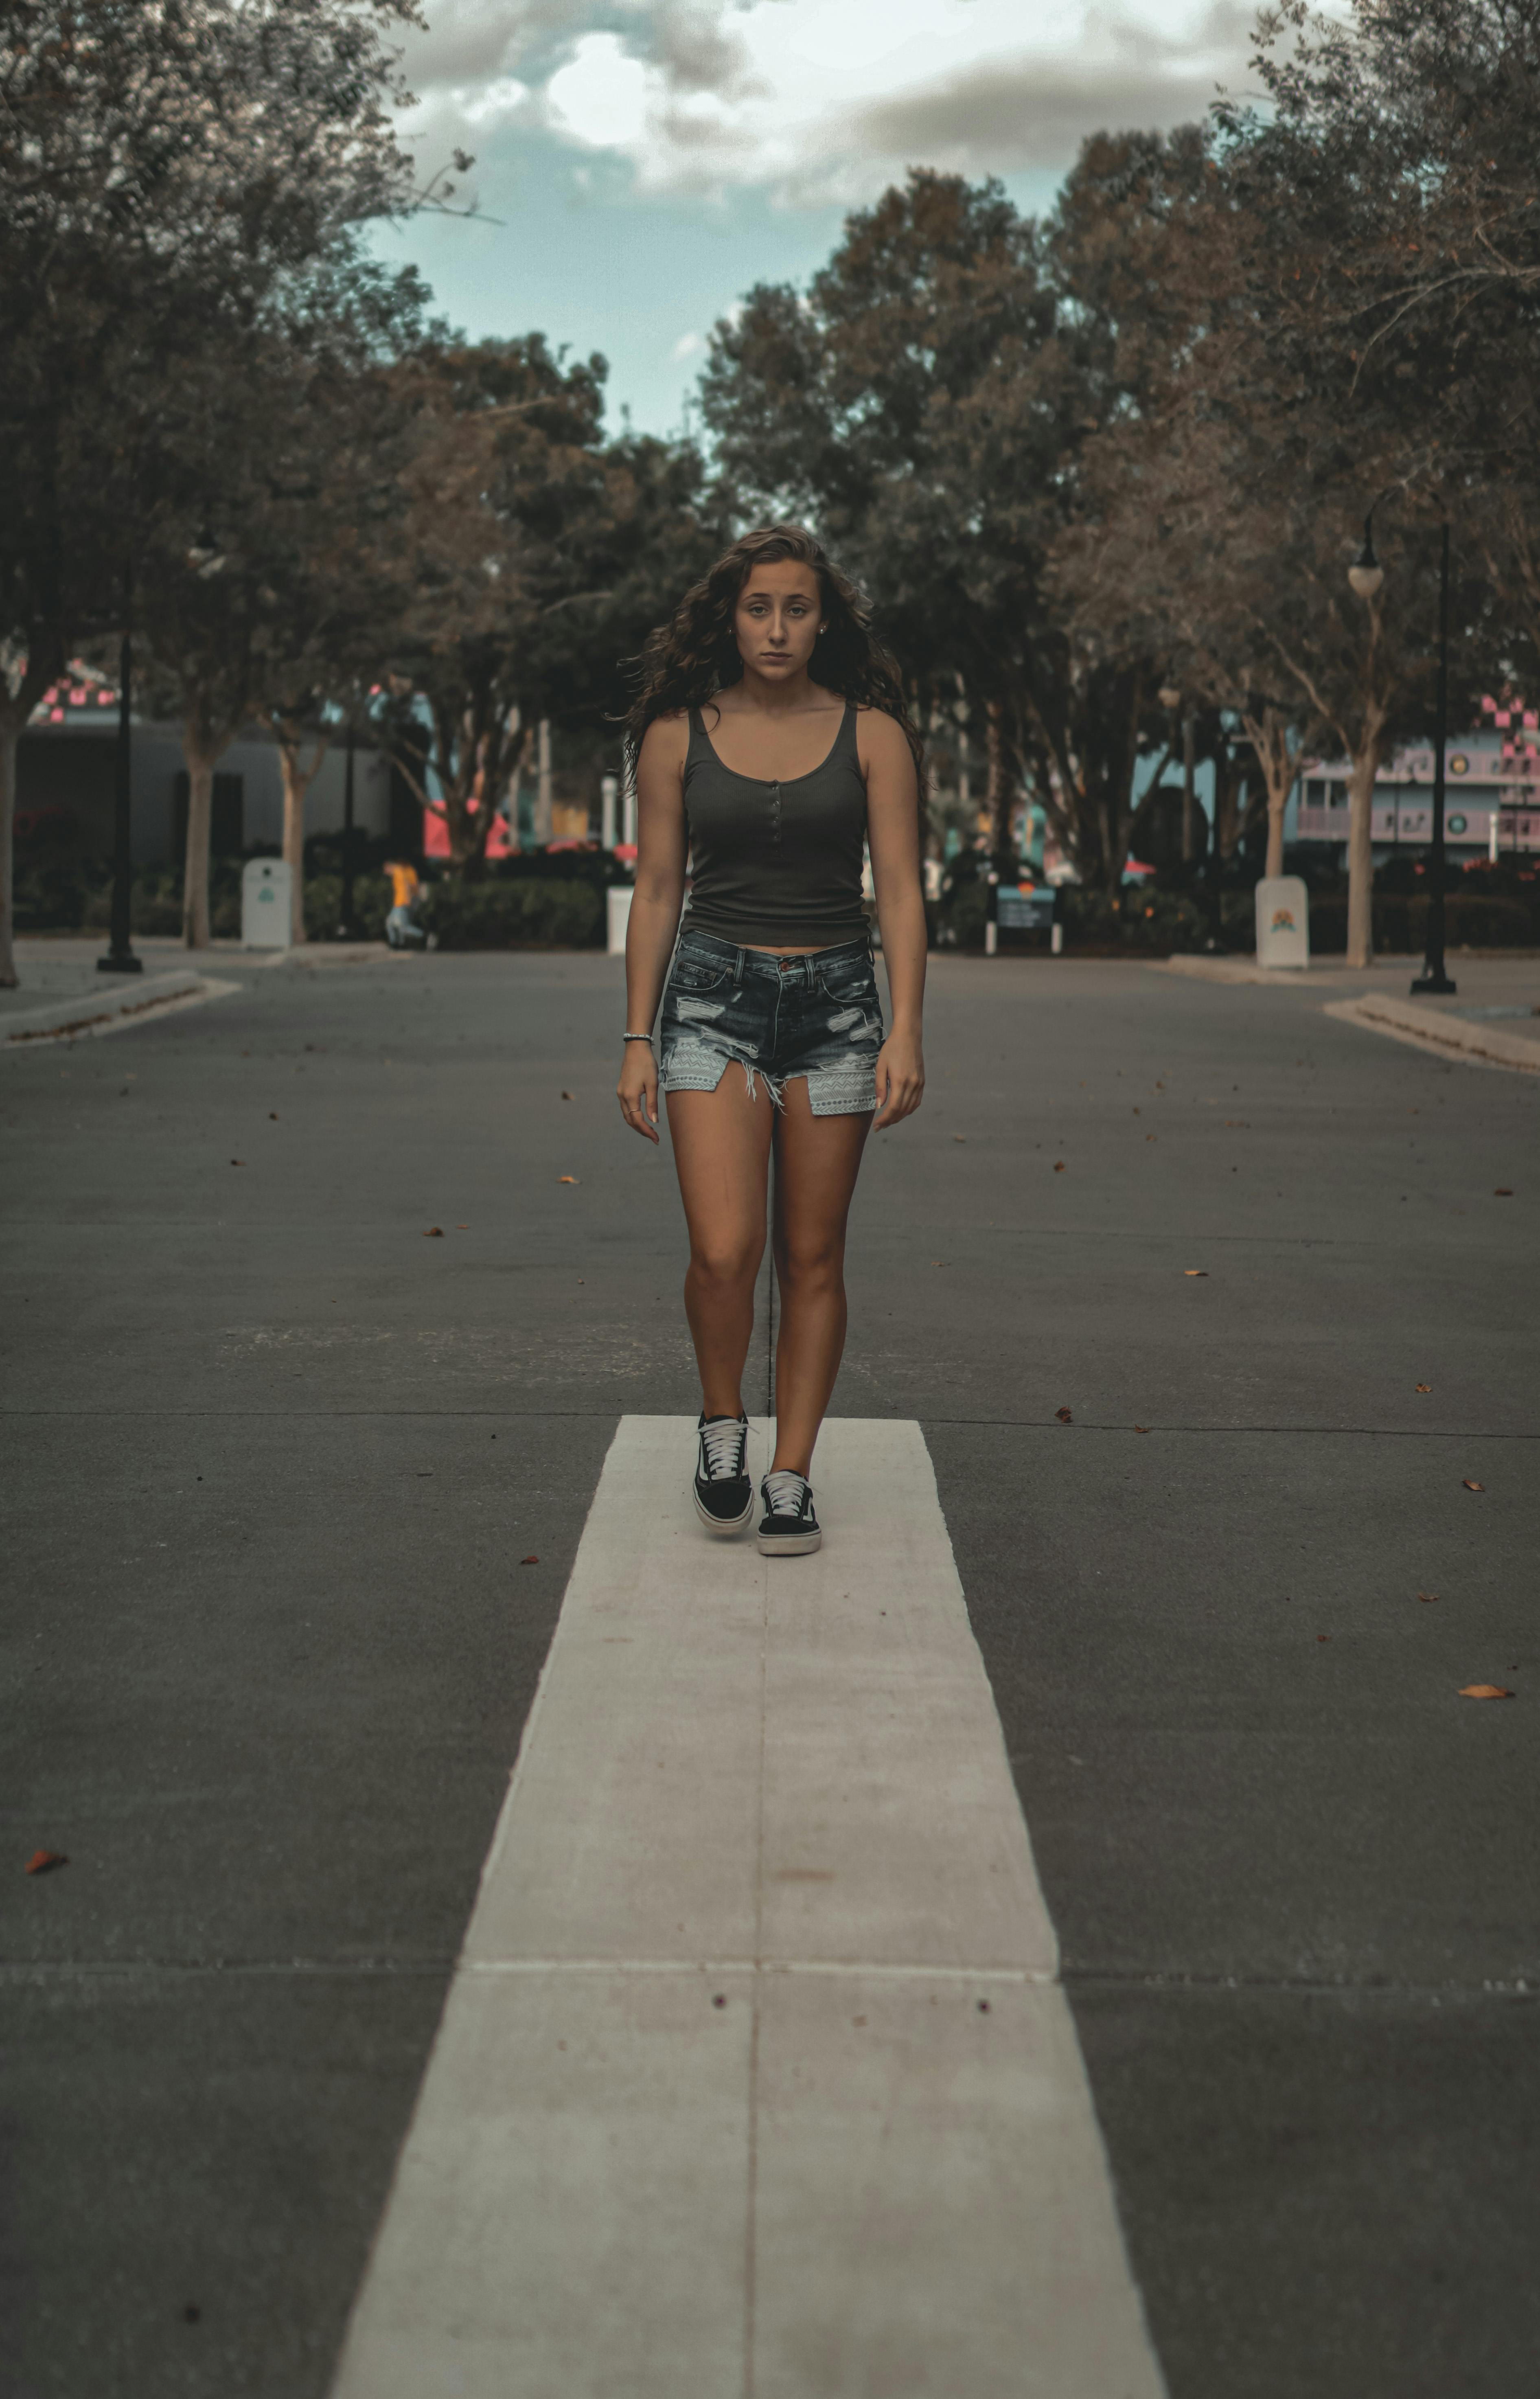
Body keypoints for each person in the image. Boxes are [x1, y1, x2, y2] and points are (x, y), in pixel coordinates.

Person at [617, 524, 927, 1556]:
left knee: (810, 1253)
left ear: (823, 617)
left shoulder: (874, 734)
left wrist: (906, 1029)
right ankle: (721, 1423)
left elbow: (898, 894)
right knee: (722, 1249)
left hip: (838, 1005)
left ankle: (789, 1471)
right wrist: (634, 1035)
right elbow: (657, 888)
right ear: (732, 615)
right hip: (711, 998)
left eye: (797, 607)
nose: (777, 626)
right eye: (759, 607)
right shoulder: (677, 732)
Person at [384, 860, 425, 947]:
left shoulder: (398, 871)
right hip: (398, 903)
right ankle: (396, 943)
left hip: (402, 903)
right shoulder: (398, 872)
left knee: (403, 927)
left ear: (389, 866)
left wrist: (407, 900)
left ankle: (424, 936)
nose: (385, 872)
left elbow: (406, 885)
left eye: (385, 869)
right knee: (391, 924)